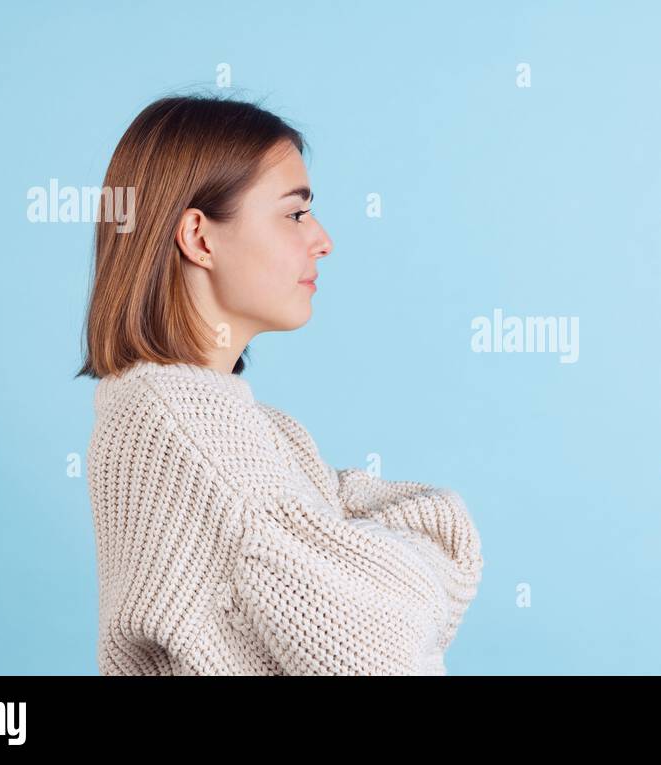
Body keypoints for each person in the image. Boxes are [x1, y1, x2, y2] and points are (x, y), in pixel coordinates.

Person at [75, 94, 484, 675]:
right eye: (295, 213)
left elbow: (438, 536)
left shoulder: (243, 426)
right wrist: (387, 558)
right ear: (199, 237)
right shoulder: (182, 428)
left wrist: (365, 551)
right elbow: (382, 643)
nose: (322, 239)